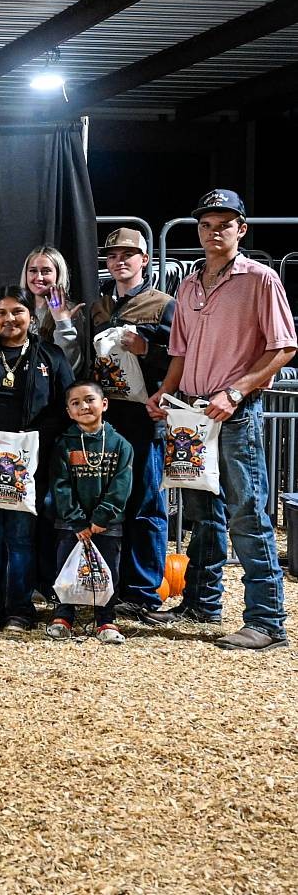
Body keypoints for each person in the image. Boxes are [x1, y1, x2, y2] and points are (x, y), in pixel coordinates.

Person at [148, 188, 294, 651]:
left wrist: (236, 391)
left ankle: (267, 621)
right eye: (207, 225)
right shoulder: (188, 284)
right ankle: (201, 602)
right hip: (191, 412)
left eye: (224, 224)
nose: (214, 232)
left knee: (247, 512)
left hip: (234, 410)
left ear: (241, 229)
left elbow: (284, 346)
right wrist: (165, 392)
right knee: (202, 513)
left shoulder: (261, 279)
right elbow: (179, 350)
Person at [0, 286, 73, 633]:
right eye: (1, 313)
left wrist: (32, 438)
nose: (10, 319)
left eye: (17, 312)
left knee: (22, 537)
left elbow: (63, 407)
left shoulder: (50, 356)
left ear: (31, 316)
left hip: (30, 459)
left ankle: (20, 609)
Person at [88, 227, 177, 627]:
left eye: (129, 254)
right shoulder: (99, 306)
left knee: (145, 500)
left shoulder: (164, 305)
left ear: (144, 260)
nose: (120, 261)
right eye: (113, 256)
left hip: (145, 416)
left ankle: (143, 593)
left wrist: (150, 349)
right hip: (106, 417)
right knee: (109, 500)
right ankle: (109, 585)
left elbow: (183, 356)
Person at [46, 381, 133, 644]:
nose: (84, 406)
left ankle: (105, 618)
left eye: (90, 399)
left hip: (107, 525)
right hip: (70, 524)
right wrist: (76, 520)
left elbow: (122, 485)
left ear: (104, 404)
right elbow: (60, 485)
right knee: (67, 571)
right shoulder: (64, 445)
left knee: (107, 571)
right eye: (76, 403)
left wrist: (100, 519)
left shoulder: (120, 445)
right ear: (69, 412)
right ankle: (63, 615)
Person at [19, 245, 84, 371]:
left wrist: (63, 324)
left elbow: (70, 366)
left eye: (46, 271)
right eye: (33, 271)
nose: (38, 277)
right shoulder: (17, 309)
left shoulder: (71, 312)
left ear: (58, 274)